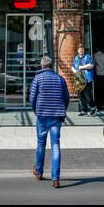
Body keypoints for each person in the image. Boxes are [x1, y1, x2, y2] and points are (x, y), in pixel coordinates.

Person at [28, 54, 70, 188]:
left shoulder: (38, 79)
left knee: (41, 144)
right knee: (55, 145)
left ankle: (39, 172)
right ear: (51, 66)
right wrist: (62, 111)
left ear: (42, 65)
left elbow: (32, 97)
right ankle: (55, 179)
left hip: (42, 117)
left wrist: (36, 110)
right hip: (56, 117)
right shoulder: (60, 79)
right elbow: (67, 97)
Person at [72, 45, 95, 115]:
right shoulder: (76, 58)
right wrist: (74, 71)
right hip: (79, 80)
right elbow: (72, 66)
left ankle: (93, 108)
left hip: (87, 79)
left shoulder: (87, 57)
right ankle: (84, 110)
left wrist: (82, 67)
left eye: (82, 49)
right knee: (80, 95)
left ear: (84, 50)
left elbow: (91, 65)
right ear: (78, 51)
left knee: (88, 95)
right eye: (80, 50)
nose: (81, 51)